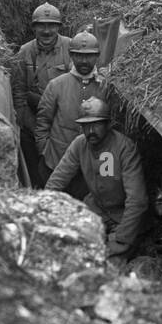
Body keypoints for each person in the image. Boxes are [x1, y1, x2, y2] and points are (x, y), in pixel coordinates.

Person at [44, 97, 148, 265]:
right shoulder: (79, 144)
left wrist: (121, 238)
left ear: (108, 124)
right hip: (96, 209)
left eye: (97, 124)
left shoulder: (124, 147)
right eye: (85, 126)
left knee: (109, 263)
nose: (90, 130)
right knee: (73, 251)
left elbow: (137, 201)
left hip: (122, 215)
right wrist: (41, 206)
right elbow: (57, 180)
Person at [35, 31, 116, 200]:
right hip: (57, 160)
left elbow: (113, 124)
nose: (84, 61)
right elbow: (43, 121)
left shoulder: (106, 86)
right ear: (71, 55)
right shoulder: (56, 85)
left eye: (89, 56)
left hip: (93, 165)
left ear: (97, 56)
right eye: (79, 56)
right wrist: (44, 151)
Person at [10, 2, 71, 188]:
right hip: (33, 119)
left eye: (51, 25)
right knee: (36, 168)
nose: (46, 31)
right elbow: (18, 93)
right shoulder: (25, 52)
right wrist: (33, 126)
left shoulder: (70, 47)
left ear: (58, 27)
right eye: (41, 26)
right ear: (34, 28)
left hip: (64, 120)